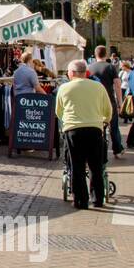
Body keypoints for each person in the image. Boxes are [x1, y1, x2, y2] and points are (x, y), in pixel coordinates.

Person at [55, 60, 112, 209]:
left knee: (77, 165)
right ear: (85, 73)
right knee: (96, 166)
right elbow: (108, 110)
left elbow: (58, 111)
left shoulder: (64, 88)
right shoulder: (98, 87)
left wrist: (67, 122)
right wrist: (104, 121)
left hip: (73, 130)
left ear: (72, 73)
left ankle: (81, 200)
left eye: (68, 72)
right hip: (94, 129)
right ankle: (98, 199)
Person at [88, 45, 124, 159]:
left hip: (94, 102)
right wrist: (120, 102)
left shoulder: (89, 68)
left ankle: (98, 150)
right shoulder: (110, 67)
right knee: (113, 126)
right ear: (106, 54)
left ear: (95, 54)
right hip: (109, 101)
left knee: (98, 127)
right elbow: (118, 85)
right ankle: (117, 149)